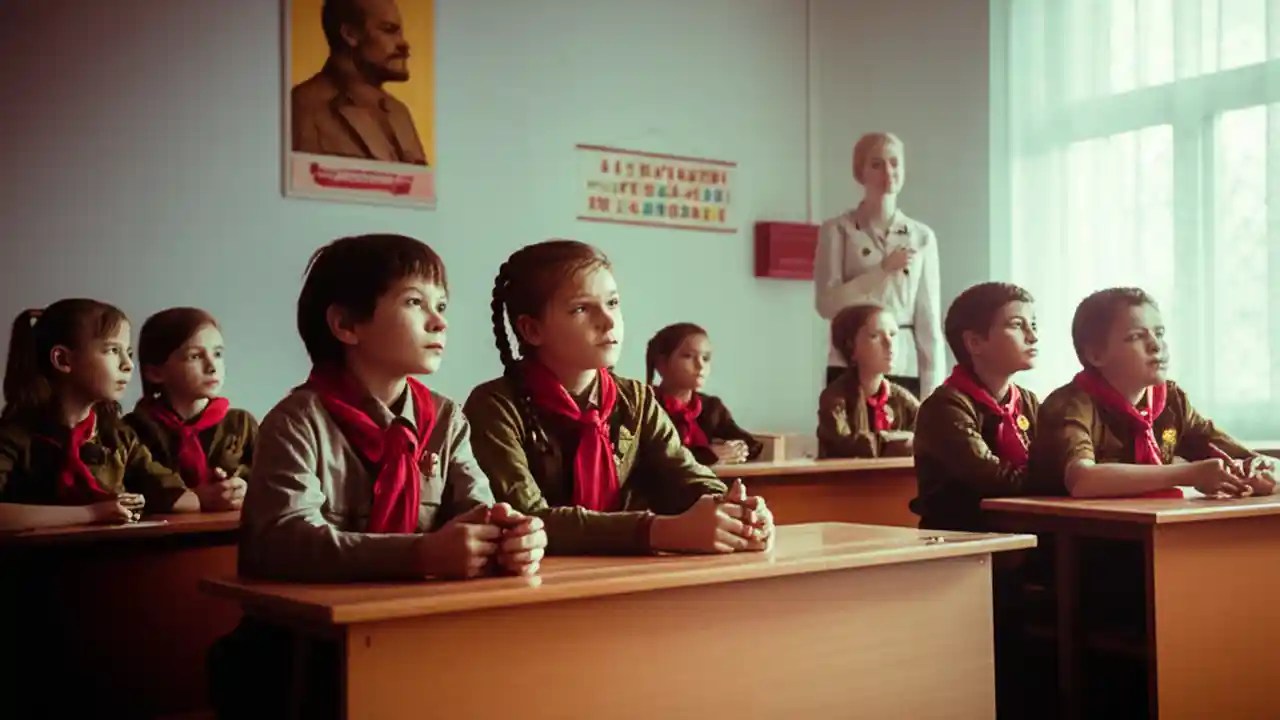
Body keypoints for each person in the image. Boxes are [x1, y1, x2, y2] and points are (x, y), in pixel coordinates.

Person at [813, 131, 942, 398]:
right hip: (849, 359)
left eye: (895, 163)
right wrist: (881, 271)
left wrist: (933, 387)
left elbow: (928, 320)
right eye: (876, 164)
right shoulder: (838, 230)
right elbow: (827, 304)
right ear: (860, 170)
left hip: (902, 361)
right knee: (849, 435)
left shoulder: (921, 236)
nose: (888, 172)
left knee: (901, 436)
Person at [291, 0, 429, 165]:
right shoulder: (303, 106)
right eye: (389, 30)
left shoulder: (399, 112)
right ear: (350, 34)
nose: (404, 44)